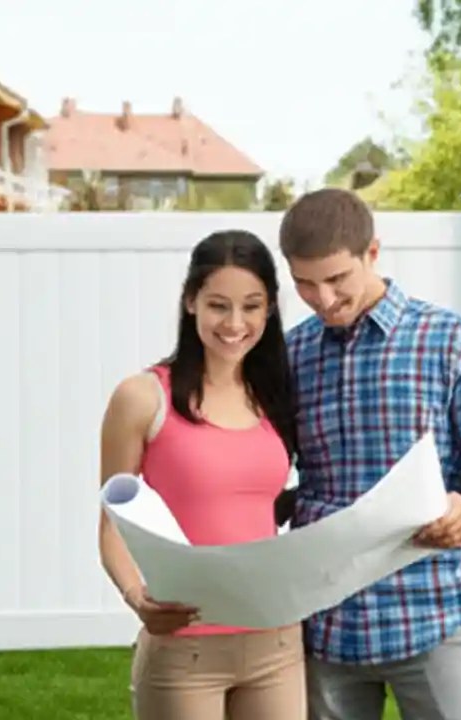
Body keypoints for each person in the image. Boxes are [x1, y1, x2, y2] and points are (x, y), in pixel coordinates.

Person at [277, 188, 461, 720]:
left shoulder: (449, 340)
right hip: (326, 624)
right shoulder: (291, 354)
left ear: (372, 253)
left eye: (337, 279)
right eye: (304, 283)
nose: (323, 299)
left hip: (429, 613)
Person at [97, 229, 306, 720]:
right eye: (218, 305)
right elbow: (111, 527)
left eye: (251, 307)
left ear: (270, 309)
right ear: (190, 301)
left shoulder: (275, 393)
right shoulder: (143, 397)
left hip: (276, 642)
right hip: (183, 647)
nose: (234, 324)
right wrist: (137, 598)